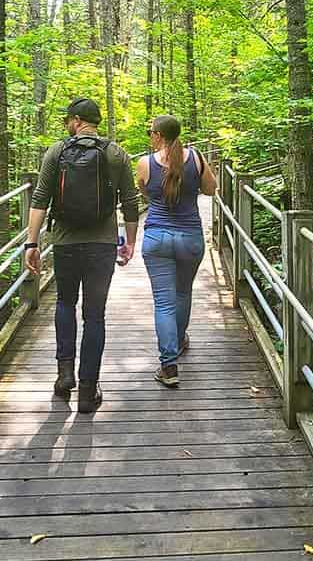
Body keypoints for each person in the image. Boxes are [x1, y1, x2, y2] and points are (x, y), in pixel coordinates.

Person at [25, 98, 139, 413]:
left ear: (76, 120)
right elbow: (130, 202)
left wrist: (31, 244)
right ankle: (88, 391)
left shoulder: (56, 151)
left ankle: (64, 375)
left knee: (65, 302)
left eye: (67, 120)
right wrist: (129, 242)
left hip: (64, 242)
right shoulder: (116, 154)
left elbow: (39, 200)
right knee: (95, 315)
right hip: (101, 245)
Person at [136, 115, 217, 386]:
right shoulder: (196, 157)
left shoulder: (145, 163)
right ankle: (180, 340)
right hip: (190, 237)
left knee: (164, 302)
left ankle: (169, 366)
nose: (149, 136)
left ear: (159, 135)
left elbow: (147, 193)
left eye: (151, 132)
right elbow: (210, 189)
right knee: (182, 293)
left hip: (157, 237)